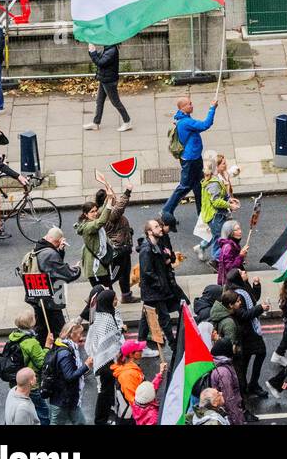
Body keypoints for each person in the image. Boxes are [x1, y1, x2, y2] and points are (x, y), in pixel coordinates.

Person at [162, 89, 220, 229]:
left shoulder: (181, 118)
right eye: (189, 104)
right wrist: (212, 108)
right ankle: (166, 212)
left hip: (194, 158)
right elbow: (205, 125)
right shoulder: (186, 122)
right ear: (182, 108)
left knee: (199, 186)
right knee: (184, 186)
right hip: (191, 160)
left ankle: (202, 214)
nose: (192, 105)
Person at [225, 266, 269, 398]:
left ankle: (249, 385)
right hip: (246, 332)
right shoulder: (236, 295)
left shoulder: (243, 287)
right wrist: (260, 308)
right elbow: (243, 315)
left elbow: (253, 298)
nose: (245, 272)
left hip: (251, 331)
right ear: (237, 277)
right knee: (251, 358)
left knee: (253, 356)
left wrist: (256, 285)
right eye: (242, 272)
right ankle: (247, 386)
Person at [32, 227, 81, 345]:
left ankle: (43, 352)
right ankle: (63, 352)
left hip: (37, 295)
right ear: (57, 241)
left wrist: (59, 251)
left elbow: (51, 268)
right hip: (51, 298)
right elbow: (65, 274)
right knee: (60, 330)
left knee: (42, 329)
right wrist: (77, 269)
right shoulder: (49, 253)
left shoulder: (38, 248)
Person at [137, 218, 180, 350]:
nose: (160, 228)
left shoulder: (158, 244)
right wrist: (161, 284)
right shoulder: (147, 249)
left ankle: (140, 345)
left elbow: (164, 261)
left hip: (156, 289)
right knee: (164, 318)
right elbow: (147, 272)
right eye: (156, 227)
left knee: (146, 318)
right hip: (154, 290)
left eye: (159, 226)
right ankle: (174, 345)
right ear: (149, 232)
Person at [84, 287, 125, 425]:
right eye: (114, 299)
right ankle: (100, 420)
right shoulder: (107, 319)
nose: (116, 301)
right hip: (105, 364)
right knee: (104, 394)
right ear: (108, 301)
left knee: (106, 392)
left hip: (102, 361)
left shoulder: (99, 315)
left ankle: (105, 417)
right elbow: (112, 340)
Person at [5, 308, 51, 424]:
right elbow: (41, 363)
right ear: (31, 322)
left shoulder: (13, 336)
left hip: (16, 380)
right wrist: (47, 346)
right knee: (43, 411)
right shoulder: (31, 342)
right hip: (30, 383)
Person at [44, 319, 93, 426]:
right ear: (71, 334)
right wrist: (86, 366)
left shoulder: (68, 347)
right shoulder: (65, 353)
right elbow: (69, 376)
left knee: (80, 422)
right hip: (62, 401)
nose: (81, 337)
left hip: (70, 398)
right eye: (80, 333)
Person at [94, 177, 135, 301]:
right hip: (118, 249)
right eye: (111, 195)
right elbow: (119, 209)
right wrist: (127, 192)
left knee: (125, 272)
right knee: (114, 275)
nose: (114, 196)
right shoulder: (105, 212)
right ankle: (105, 295)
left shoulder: (107, 208)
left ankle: (126, 295)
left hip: (124, 247)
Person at [84, 42, 132, 130]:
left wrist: (92, 52)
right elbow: (100, 57)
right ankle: (96, 123)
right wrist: (92, 51)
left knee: (115, 102)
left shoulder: (112, 50)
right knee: (99, 101)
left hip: (109, 81)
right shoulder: (108, 47)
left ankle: (127, 121)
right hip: (104, 79)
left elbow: (100, 62)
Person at [75, 195, 115, 286]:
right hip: (95, 267)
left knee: (106, 293)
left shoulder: (92, 219)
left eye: (95, 210)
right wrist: (108, 204)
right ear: (86, 214)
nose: (95, 213)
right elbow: (101, 221)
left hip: (100, 264)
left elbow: (101, 211)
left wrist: (108, 199)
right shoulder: (89, 226)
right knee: (104, 293)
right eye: (92, 212)